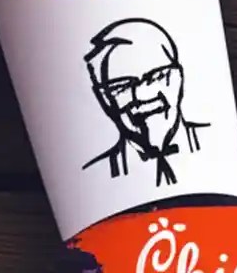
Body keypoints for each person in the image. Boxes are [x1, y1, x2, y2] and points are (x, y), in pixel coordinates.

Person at [82, 18, 208, 187]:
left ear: (179, 77)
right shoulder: (93, 178)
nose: (142, 96)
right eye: (121, 88)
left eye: (157, 77)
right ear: (103, 100)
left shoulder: (218, 144)